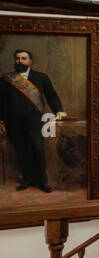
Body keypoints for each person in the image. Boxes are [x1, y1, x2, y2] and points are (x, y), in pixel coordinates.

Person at [0, 48, 64, 193]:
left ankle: (42, 182)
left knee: (37, 149)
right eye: (17, 58)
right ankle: (27, 180)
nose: (20, 61)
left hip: (35, 120)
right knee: (21, 151)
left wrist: (59, 110)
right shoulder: (5, 79)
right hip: (13, 121)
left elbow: (51, 96)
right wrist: (1, 120)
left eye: (23, 58)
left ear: (30, 61)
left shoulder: (42, 77)